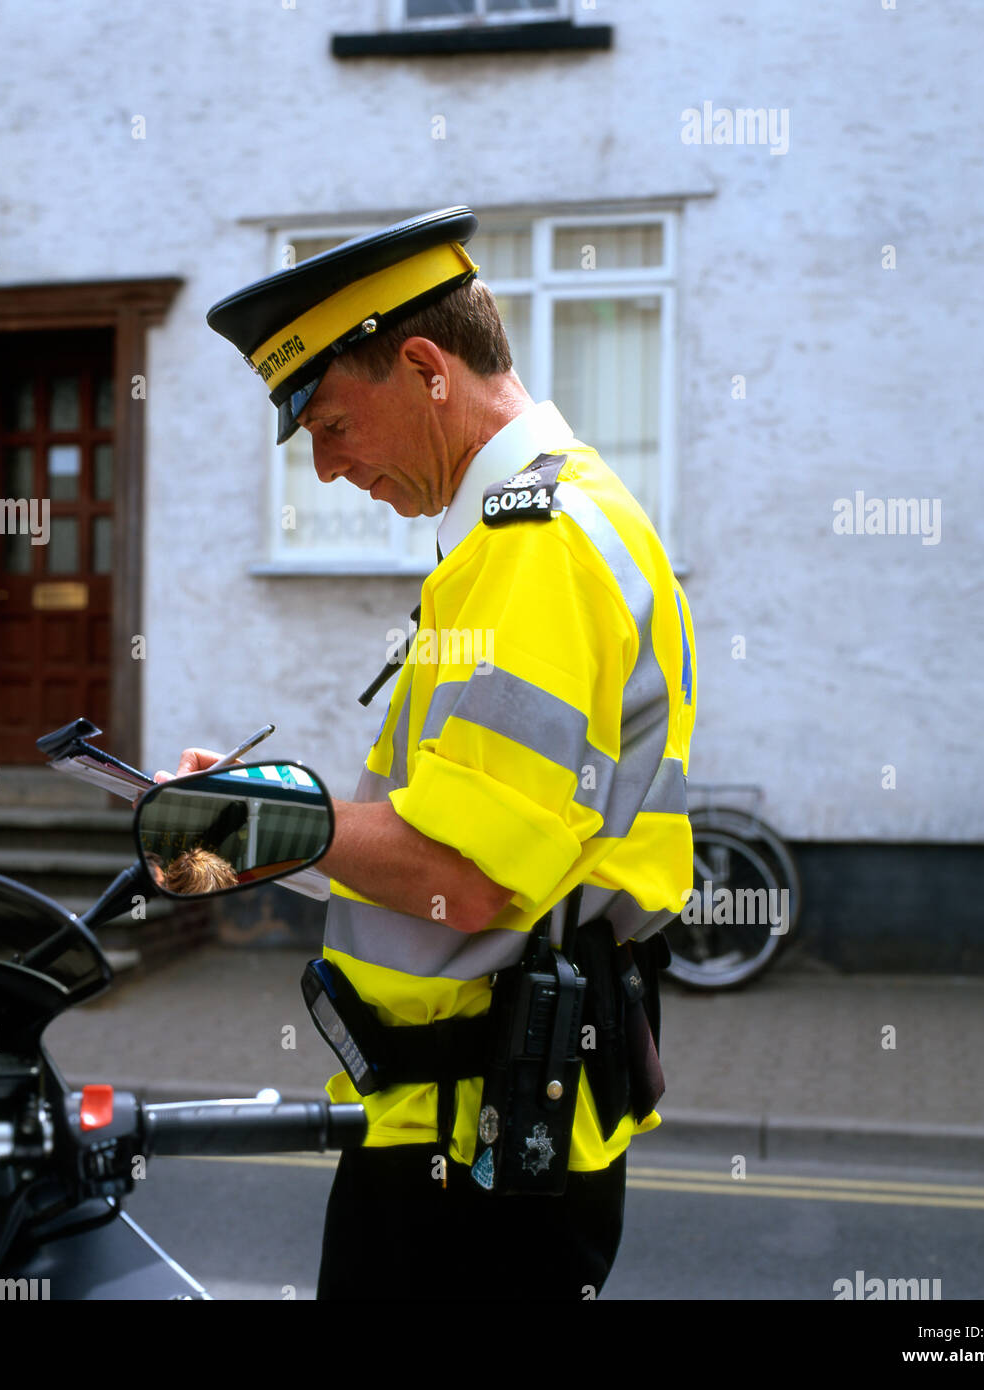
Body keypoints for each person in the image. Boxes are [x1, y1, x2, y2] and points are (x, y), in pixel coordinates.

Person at [167, 206, 697, 1300]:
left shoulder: (532, 545)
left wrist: (264, 819)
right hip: (480, 1121)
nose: (325, 470)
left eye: (331, 426)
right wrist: (266, 822)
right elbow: (461, 839)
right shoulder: (538, 523)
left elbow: (465, 874)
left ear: (424, 367)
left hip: (476, 1148)